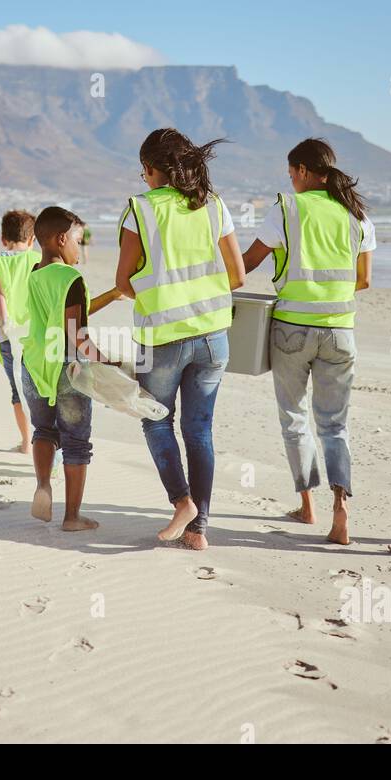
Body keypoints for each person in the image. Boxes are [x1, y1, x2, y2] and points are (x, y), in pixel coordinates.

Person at [115, 128, 246, 550]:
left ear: (151, 169)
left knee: (155, 419)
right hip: (213, 337)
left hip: (163, 337)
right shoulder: (213, 206)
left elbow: (123, 282)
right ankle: (198, 531)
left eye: (144, 171)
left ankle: (183, 501)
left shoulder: (140, 209)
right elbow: (238, 275)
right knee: (199, 430)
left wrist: (161, 295)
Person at [240, 138, 375, 545]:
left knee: (294, 418)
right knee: (335, 425)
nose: (290, 181)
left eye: (291, 173)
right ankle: (340, 511)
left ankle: (307, 505)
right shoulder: (357, 214)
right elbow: (363, 279)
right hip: (340, 332)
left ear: (301, 170)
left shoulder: (287, 209)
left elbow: (245, 263)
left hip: (291, 330)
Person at [21, 206, 124, 530]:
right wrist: (108, 361)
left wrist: (111, 295)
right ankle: (71, 517)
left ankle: (42, 485)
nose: (79, 248)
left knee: (44, 430)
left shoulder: (36, 273)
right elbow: (76, 332)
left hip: (34, 364)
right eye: (78, 241)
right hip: (69, 370)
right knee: (77, 442)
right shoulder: (72, 277)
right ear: (62, 238)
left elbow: (66, 314)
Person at [0, 209, 39, 453]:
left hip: (7, 334)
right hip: (36, 334)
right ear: (32, 239)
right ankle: (43, 438)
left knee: (18, 387)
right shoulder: (37, 259)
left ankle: (26, 442)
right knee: (40, 384)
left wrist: (6, 319)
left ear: (3, 238)